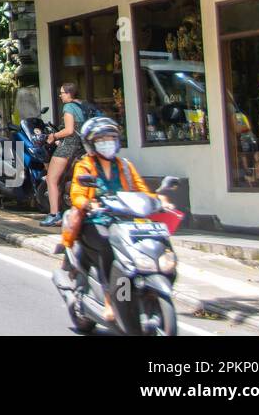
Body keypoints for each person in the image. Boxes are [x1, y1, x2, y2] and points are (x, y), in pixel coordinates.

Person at [64, 116, 168, 322]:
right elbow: (77, 192)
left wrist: (160, 201)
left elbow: (141, 190)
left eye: (110, 138)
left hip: (126, 222)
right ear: (92, 143)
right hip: (96, 222)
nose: (107, 143)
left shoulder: (125, 166)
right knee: (107, 246)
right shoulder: (85, 166)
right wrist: (88, 203)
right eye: (101, 139)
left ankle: (144, 286)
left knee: (155, 242)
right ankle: (111, 298)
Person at [40, 82, 86, 226]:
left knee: (51, 179)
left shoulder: (69, 107)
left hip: (68, 147)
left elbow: (69, 130)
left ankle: (54, 214)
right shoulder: (83, 105)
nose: (60, 96)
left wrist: (54, 136)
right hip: (83, 148)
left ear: (69, 93)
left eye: (62, 93)